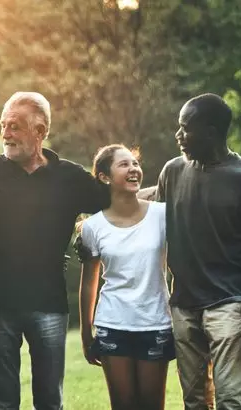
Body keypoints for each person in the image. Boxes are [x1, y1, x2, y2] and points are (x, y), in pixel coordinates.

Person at [0, 92, 107, 410]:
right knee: (2, 399)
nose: (6, 134)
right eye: (3, 125)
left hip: (49, 305)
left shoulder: (69, 177)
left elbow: (117, 203)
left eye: (15, 126)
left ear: (40, 131)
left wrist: (166, 191)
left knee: (49, 400)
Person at [156, 93, 241, 409]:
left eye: (185, 128)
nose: (178, 135)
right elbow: (151, 224)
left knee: (232, 398)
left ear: (210, 131)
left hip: (229, 305)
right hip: (183, 305)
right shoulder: (172, 172)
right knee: (193, 400)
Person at [78, 144, 173, 410]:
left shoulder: (161, 215)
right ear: (104, 177)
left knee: (152, 405)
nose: (133, 169)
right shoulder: (92, 227)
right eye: (124, 164)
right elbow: (89, 282)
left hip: (155, 322)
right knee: (123, 405)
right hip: (113, 324)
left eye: (135, 164)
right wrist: (87, 333)